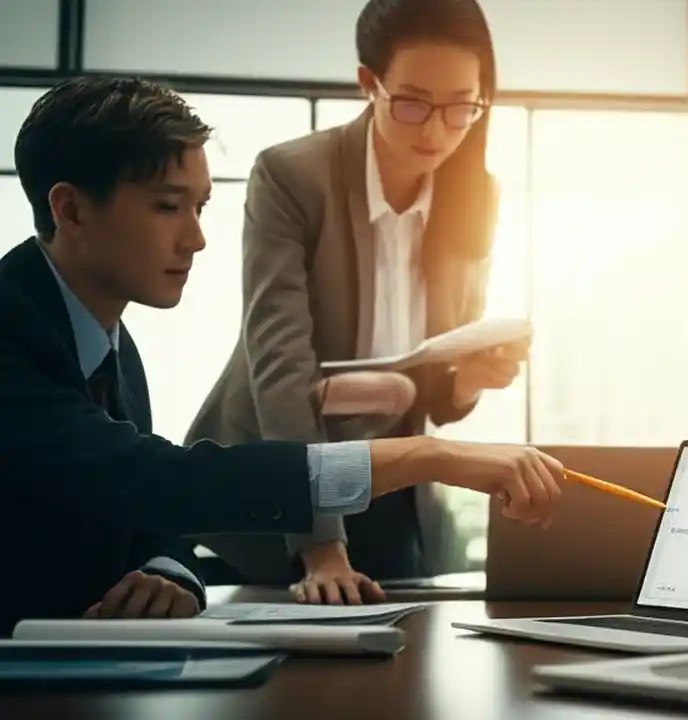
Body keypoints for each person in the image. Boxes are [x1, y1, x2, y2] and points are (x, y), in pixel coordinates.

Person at [0, 75, 563, 635]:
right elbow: (159, 481)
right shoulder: (12, 331)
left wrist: (166, 571)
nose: (195, 239)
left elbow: (142, 515)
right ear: (71, 210)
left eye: (199, 207)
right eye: (168, 207)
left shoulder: (112, 349)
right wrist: (431, 455)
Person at [186, 0, 520, 603]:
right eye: (413, 102)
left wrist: (467, 379)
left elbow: (432, 396)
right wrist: (321, 545)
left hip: (391, 492)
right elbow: (281, 370)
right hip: (276, 492)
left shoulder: (477, 194)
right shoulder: (292, 176)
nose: (437, 130)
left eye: (461, 107)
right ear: (370, 83)